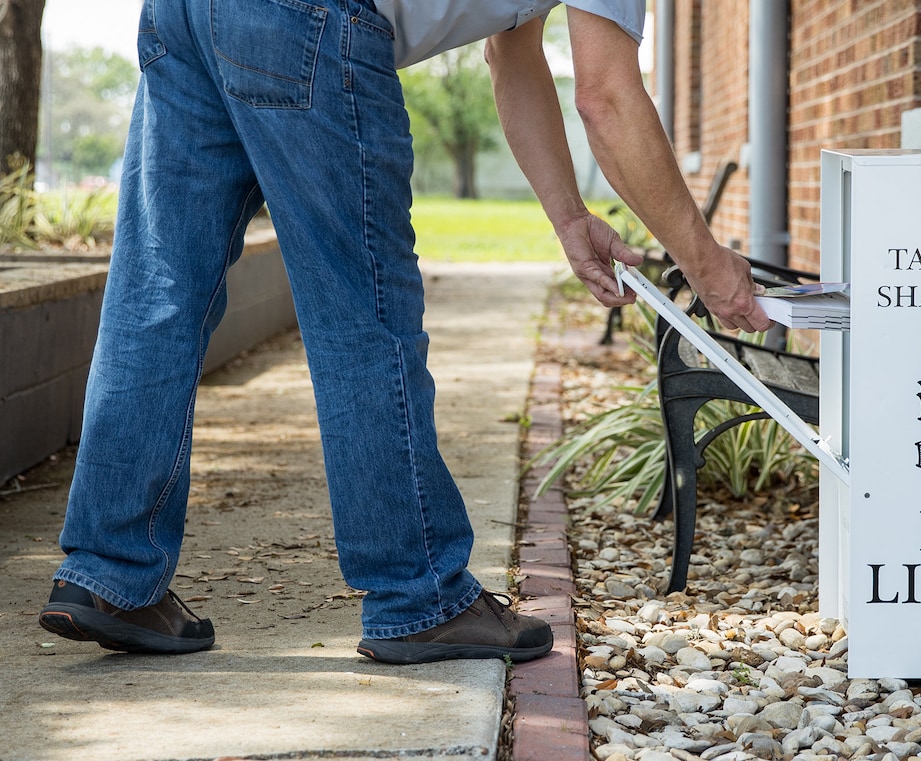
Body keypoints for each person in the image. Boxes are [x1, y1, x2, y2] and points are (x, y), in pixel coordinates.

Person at [38, 0, 768, 664]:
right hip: (305, 20)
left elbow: (512, 54)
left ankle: (109, 574)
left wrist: (570, 217)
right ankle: (419, 594)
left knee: (157, 294)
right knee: (364, 313)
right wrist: (706, 264)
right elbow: (605, 96)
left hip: (183, 16)